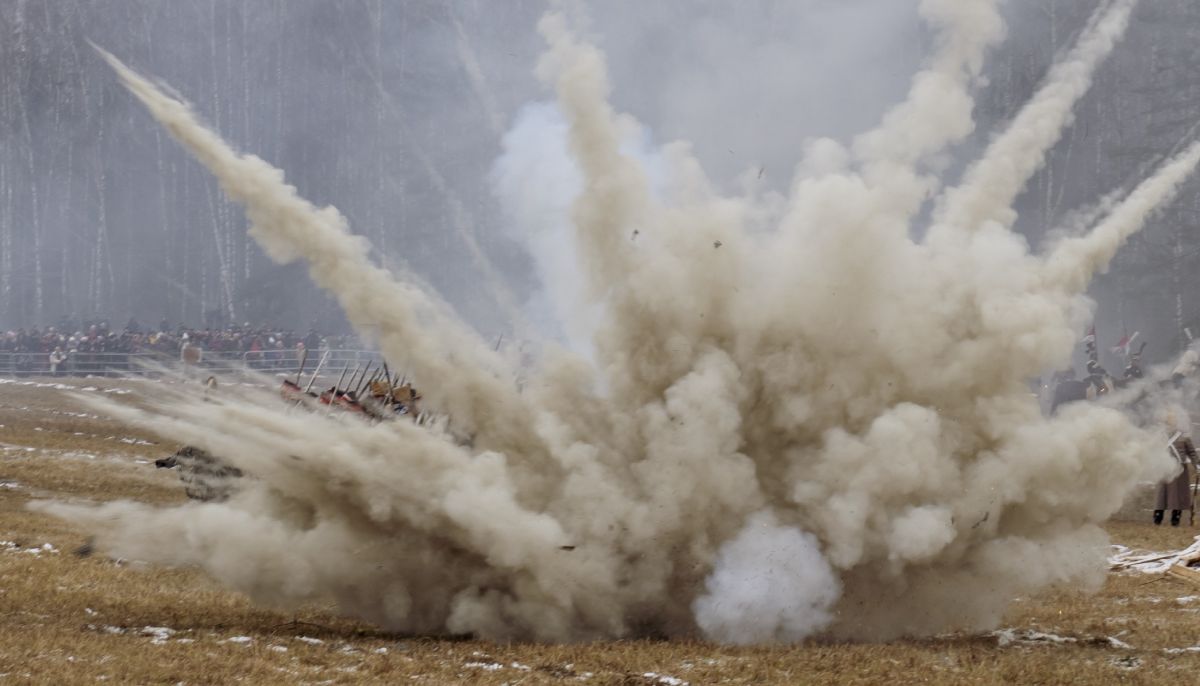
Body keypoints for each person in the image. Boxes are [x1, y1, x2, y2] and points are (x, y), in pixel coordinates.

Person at [1155, 412, 1196, 526]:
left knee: (1178, 495)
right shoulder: (1160, 435)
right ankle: (1158, 517)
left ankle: (1175, 518)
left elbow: (1191, 452)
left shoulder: (1183, 436)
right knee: (1162, 494)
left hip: (1179, 468)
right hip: (1164, 467)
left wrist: (1197, 465)